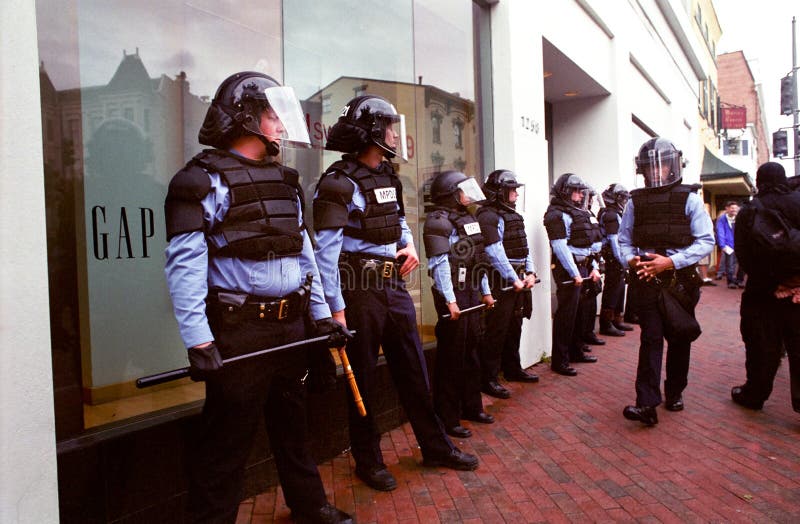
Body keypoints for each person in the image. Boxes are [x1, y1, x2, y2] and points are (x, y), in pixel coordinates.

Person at [163, 72, 351, 523]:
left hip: (291, 324)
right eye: (273, 116)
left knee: (293, 427)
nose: (281, 126)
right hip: (240, 330)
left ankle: (310, 506)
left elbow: (304, 253)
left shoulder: (286, 182)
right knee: (226, 443)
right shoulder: (200, 181)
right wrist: (199, 341)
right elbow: (184, 266)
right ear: (245, 118)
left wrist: (322, 317)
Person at [313, 94, 478, 492]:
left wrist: (408, 247)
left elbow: (399, 222)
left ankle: (434, 445)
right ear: (370, 132)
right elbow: (324, 254)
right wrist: (336, 310)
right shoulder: (337, 183)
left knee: (414, 370)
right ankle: (367, 460)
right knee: (364, 379)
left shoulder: (387, 175)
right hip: (359, 291)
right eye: (388, 127)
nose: (393, 134)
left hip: (393, 285)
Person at [619, 137, 714, 426]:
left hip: (680, 282)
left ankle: (674, 392)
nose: (655, 172)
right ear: (643, 170)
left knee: (679, 336)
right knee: (650, 339)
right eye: (650, 167)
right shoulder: (635, 201)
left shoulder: (690, 199)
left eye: (661, 167)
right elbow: (623, 241)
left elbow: (706, 241)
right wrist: (631, 260)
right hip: (646, 279)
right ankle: (646, 404)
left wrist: (670, 262)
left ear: (673, 167)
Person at [424, 170, 496, 438]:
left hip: (471, 292)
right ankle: (448, 417)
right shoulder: (438, 222)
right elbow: (439, 264)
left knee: (472, 353)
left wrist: (485, 292)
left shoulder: (469, 219)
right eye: (463, 190)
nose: (468, 194)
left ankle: (472, 407)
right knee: (451, 359)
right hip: (453, 294)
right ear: (451, 194)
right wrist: (449, 300)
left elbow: (478, 260)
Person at [731, 162, 800, 412]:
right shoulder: (798, 201)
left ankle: (755, 394)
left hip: (763, 291)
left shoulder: (750, 210)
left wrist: (773, 281)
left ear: (759, 181)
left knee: (761, 346)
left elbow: (744, 255)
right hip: (798, 293)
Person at [476, 169, 539, 399]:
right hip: (500, 281)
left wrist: (530, 271)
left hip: (518, 279)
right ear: (499, 192)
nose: (515, 193)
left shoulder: (514, 215)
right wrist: (514, 278)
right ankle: (489, 379)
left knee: (515, 325)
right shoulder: (488, 216)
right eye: (511, 189)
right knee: (496, 330)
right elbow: (494, 252)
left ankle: (512, 368)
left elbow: (524, 247)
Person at [543, 173, 601, 377]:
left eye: (580, 191)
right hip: (567, 269)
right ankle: (560, 361)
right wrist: (575, 273)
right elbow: (560, 247)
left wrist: (594, 267)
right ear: (565, 192)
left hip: (584, 267)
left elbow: (589, 244)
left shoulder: (580, 213)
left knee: (581, 313)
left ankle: (576, 351)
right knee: (566, 315)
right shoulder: (555, 214)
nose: (579, 195)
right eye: (575, 191)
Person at [598, 183, 633, 336]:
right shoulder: (610, 215)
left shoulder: (617, 213)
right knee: (612, 289)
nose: (624, 201)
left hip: (618, 258)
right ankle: (606, 324)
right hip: (613, 257)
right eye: (622, 198)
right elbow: (614, 241)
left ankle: (617, 319)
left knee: (619, 289)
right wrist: (623, 260)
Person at [577, 188, 607, 347]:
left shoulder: (590, 214)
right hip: (585, 259)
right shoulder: (580, 215)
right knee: (584, 302)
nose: (589, 199)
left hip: (593, 259)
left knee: (593, 295)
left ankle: (589, 333)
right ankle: (582, 337)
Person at [716, 200, 745, 289]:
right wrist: (722, 245)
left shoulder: (741, 218)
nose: (734, 210)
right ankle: (731, 282)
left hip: (741, 244)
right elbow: (720, 232)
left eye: (736, 208)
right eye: (732, 208)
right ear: (727, 209)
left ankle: (740, 281)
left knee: (743, 264)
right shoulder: (722, 219)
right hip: (729, 245)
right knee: (730, 265)